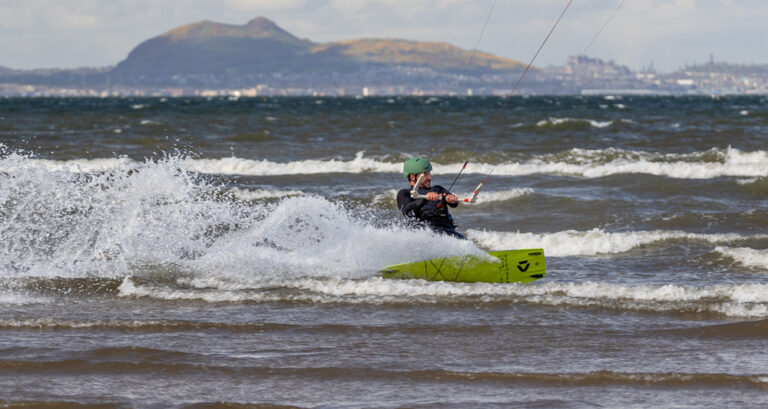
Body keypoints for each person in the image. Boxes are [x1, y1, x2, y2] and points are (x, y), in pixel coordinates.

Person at [396, 157, 466, 239]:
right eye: (425, 175)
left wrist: (452, 200)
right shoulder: (405, 193)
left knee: (466, 242)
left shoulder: (438, 189)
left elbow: (455, 204)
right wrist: (425, 199)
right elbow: (406, 211)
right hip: (424, 232)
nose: (429, 178)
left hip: (448, 231)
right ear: (412, 176)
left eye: (429, 174)